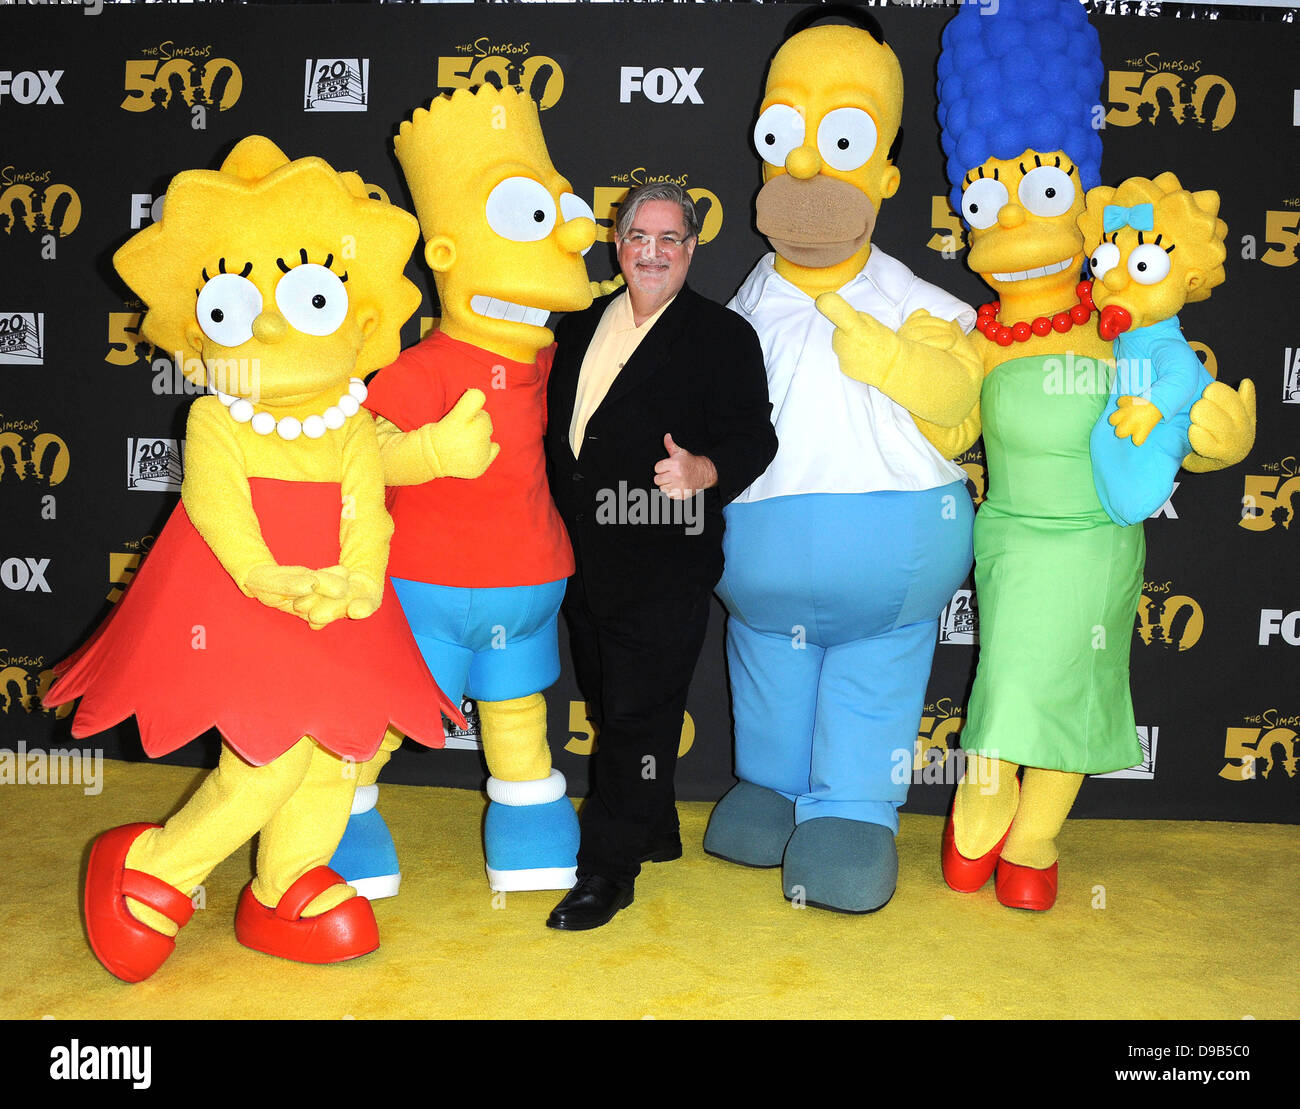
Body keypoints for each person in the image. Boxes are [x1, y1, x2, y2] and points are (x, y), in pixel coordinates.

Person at [544, 182, 777, 930]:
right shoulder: (575, 326)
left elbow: (755, 437)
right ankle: (653, 827)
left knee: (639, 715)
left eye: (669, 239)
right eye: (639, 237)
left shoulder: (722, 336)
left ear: (691, 249)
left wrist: (704, 470)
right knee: (615, 706)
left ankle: (606, 871)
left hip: (665, 563)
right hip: (582, 558)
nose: (652, 252)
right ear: (618, 243)